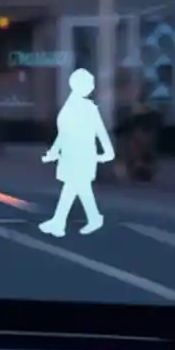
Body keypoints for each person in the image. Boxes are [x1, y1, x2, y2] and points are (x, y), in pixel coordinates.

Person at [39, 68, 115, 237]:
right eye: (90, 84)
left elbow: (99, 131)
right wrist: (53, 152)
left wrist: (108, 151)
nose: (92, 88)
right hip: (75, 155)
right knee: (78, 187)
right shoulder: (75, 107)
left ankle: (60, 222)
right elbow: (64, 134)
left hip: (81, 155)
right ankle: (89, 219)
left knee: (73, 186)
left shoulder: (84, 107)